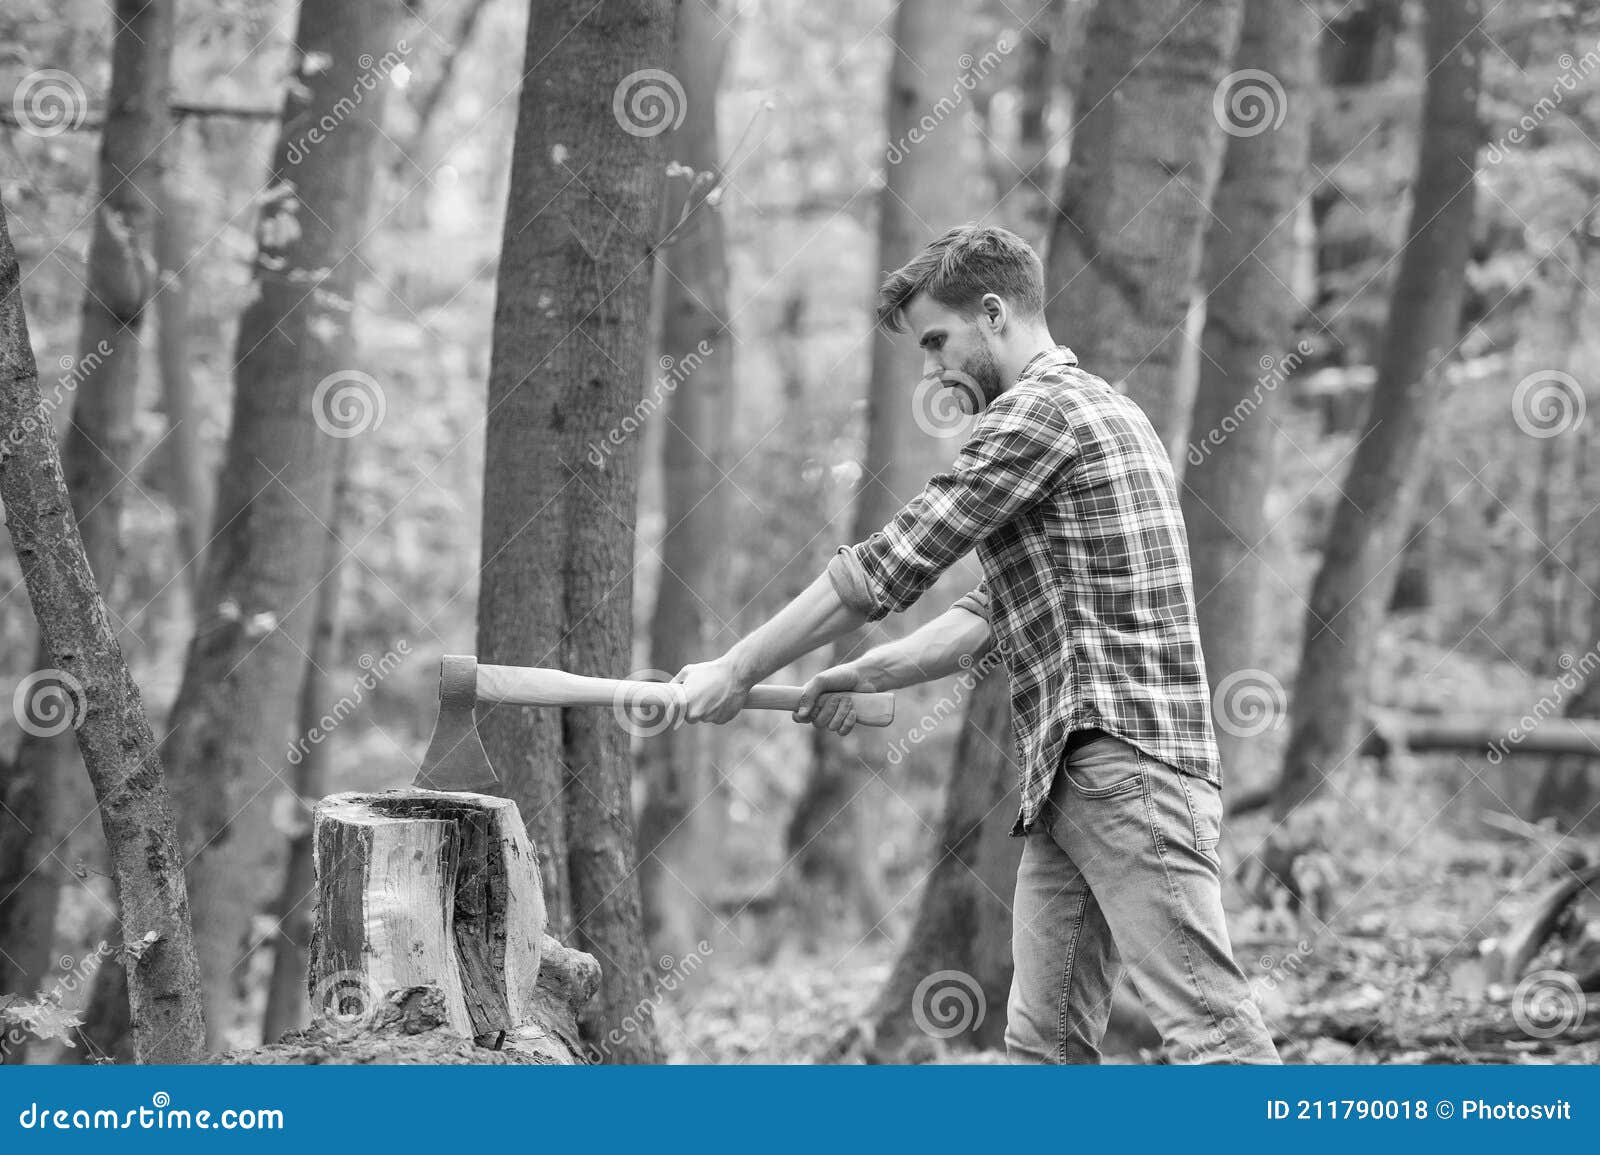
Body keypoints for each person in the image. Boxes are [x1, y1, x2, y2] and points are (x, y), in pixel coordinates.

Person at [673, 222, 1280, 1064]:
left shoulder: (1038, 413)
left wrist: (735, 667)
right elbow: (989, 612)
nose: (930, 372)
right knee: (1042, 1046)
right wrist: (864, 671)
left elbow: (890, 562)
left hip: (1126, 769)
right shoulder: (1102, 410)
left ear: (993, 313)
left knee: (1215, 1037)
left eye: (936, 341)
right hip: (1080, 778)